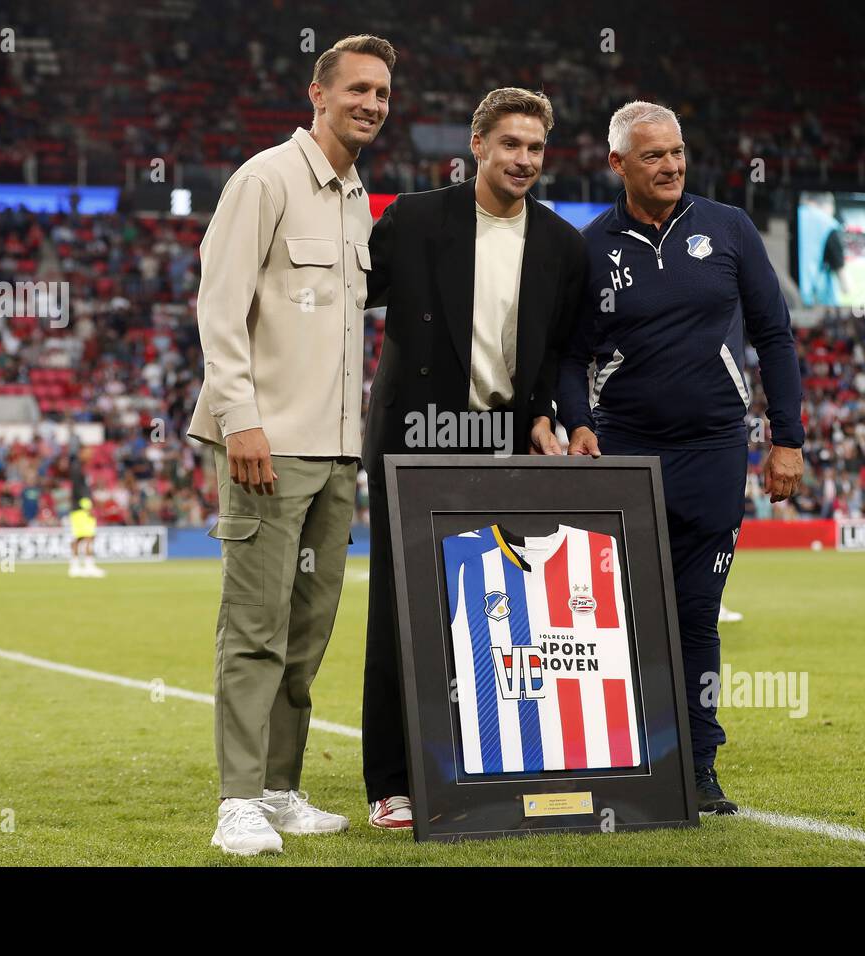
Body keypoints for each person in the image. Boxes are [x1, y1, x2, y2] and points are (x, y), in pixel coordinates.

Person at [558, 101, 805, 815]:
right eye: (653, 156)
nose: (670, 165)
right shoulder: (589, 246)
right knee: (619, 617)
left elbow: (775, 334)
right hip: (625, 456)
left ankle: (698, 765)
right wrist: (577, 423)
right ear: (618, 165)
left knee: (697, 614)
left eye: (677, 152)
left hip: (714, 454)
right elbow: (568, 355)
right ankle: (621, 755)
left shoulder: (728, 228)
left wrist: (785, 436)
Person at [186, 34, 395, 856]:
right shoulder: (265, 178)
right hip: (268, 444)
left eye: (382, 93)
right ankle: (237, 800)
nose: (371, 104)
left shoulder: (354, 197)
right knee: (254, 628)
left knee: (307, 630)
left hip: (336, 450)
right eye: (357, 90)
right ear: (318, 92)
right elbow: (219, 303)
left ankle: (279, 787)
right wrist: (239, 418)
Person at [360, 87, 587, 829]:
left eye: (535, 148)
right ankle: (393, 782)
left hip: (500, 437)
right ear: (478, 145)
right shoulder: (418, 219)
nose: (523, 159)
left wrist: (548, 414)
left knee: (497, 606)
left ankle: (487, 761)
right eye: (511, 144)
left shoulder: (560, 243)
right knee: (404, 605)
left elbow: (556, 350)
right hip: (418, 432)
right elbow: (342, 294)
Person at [67, 497, 104, 578]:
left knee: (78, 541)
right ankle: (88, 567)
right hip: (84, 519)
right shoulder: (86, 514)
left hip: (78, 519)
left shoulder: (75, 513)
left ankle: (75, 566)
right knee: (88, 541)